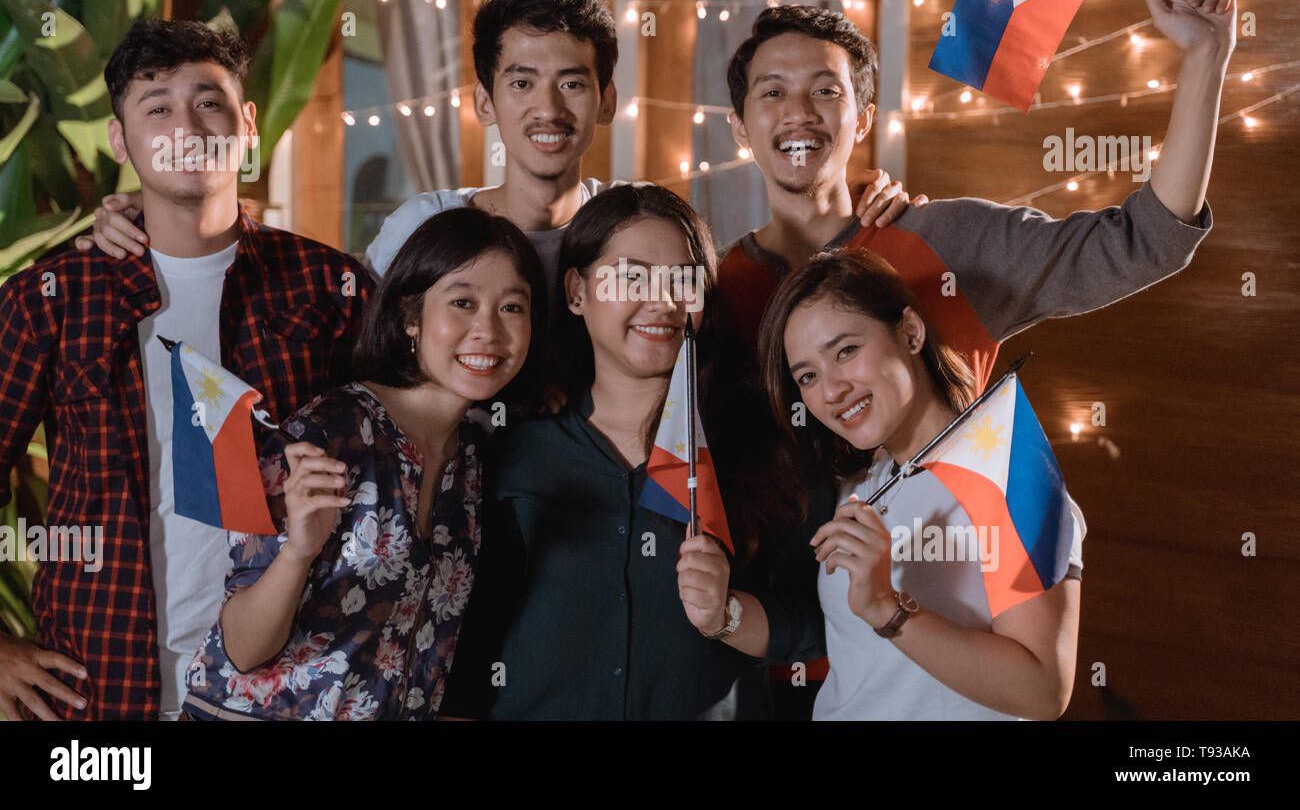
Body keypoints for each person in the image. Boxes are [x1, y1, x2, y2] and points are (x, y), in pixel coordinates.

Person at [710, 0, 1233, 714]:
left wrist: (1206, 55)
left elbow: (1144, 240)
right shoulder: (719, 286)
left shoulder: (941, 241)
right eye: (772, 93)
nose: (800, 113)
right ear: (739, 127)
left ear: (863, 118)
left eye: (827, 91)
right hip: (772, 638)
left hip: (943, 636)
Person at [0, 19, 374, 720]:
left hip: (289, 685)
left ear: (247, 123)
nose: (186, 125)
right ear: (121, 139)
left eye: (208, 101)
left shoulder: (331, 288)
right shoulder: (52, 300)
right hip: (99, 688)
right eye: (157, 106)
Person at [80, 0, 918, 290]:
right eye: (520, 82)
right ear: (484, 103)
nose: (546, 107)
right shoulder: (423, 228)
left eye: (572, 83)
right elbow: (329, 331)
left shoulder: (640, 233)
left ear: (607, 102)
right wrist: (153, 217)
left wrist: (856, 211)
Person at [442, 184, 815, 719]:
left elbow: (818, 619)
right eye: (632, 276)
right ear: (576, 291)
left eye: (683, 280)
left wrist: (731, 614)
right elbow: (469, 641)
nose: (662, 302)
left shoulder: (764, 447)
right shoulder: (512, 452)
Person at [181, 206, 547, 720]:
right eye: (462, 302)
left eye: (512, 307)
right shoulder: (328, 433)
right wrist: (297, 554)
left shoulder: (471, 457)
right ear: (409, 319)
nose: (487, 329)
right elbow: (241, 650)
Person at [758, 248, 1084, 719]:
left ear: (910, 332)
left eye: (846, 351)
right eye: (807, 376)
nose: (830, 391)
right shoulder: (853, 484)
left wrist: (888, 610)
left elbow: (1042, 690)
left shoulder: (1009, 474)